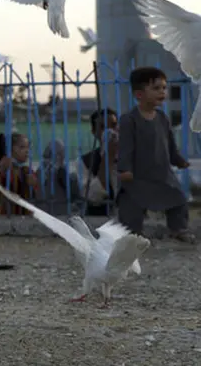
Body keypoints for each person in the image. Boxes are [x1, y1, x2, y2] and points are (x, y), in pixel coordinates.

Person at [116, 66, 194, 243]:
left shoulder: (162, 118)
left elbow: (170, 143)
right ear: (139, 94)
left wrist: (178, 159)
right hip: (137, 176)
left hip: (162, 174)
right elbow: (125, 147)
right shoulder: (129, 119)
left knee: (178, 200)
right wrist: (125, 168)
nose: (162, 92)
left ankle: (179, 229)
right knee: (132, 206)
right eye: (156, 88)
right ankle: (131, 233)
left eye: (164, 88)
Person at [80, 108, 119, 216]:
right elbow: (92, 196)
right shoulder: (85, 162)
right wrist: (107, 158)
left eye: (114, 125)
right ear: (94, 132)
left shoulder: (132, 156)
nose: (110, 131)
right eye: (103, 127)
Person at [0, 131, 39, 215]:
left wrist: (34, 184)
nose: (27, 151)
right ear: (10, 149)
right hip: (8, 214)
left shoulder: (26, 170)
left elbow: (36, 195)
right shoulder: (5, 165)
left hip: (25, 215)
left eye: (28, 147)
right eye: (22, 147)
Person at [37, 139, 84, 215]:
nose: (64, 155)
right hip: (59, 213)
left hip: (42, 213)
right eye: (62, 152)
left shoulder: (40, 170)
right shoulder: (58, 170)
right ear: (58, 154)